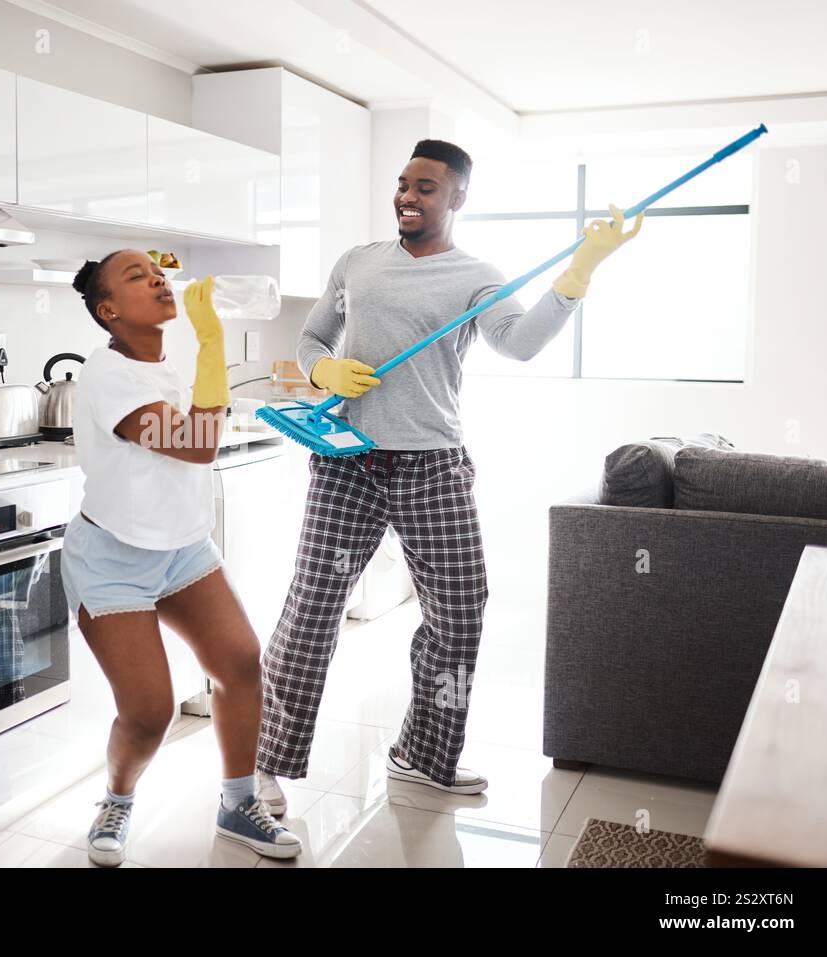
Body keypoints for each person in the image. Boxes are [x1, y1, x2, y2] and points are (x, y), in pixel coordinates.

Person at [255, 140, 643, 814]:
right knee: (312, 611)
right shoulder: (358, 263)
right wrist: (323, 371)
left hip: (432, 462)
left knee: (460, 612)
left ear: (458, 196)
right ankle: (266, 759)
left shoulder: (476, 275)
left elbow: (519, 342)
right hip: (348, 457)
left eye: (427, 187)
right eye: (404, 184)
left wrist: (580, 270)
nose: (408, 196)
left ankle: (422, 753)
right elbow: (313, 339)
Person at [64, 250, 303, 865]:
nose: (158, 280)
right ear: (109, 311)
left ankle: (237, 803)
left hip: (185, 551)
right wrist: (214, 341)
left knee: (241, 666)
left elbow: (207, 418)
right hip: (113, 560)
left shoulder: (172, 358)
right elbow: (197, 445)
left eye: (159, 271)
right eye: (137, 276)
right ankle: (116, 800)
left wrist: (210, 345)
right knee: (149, 714)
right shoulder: (105, 373)